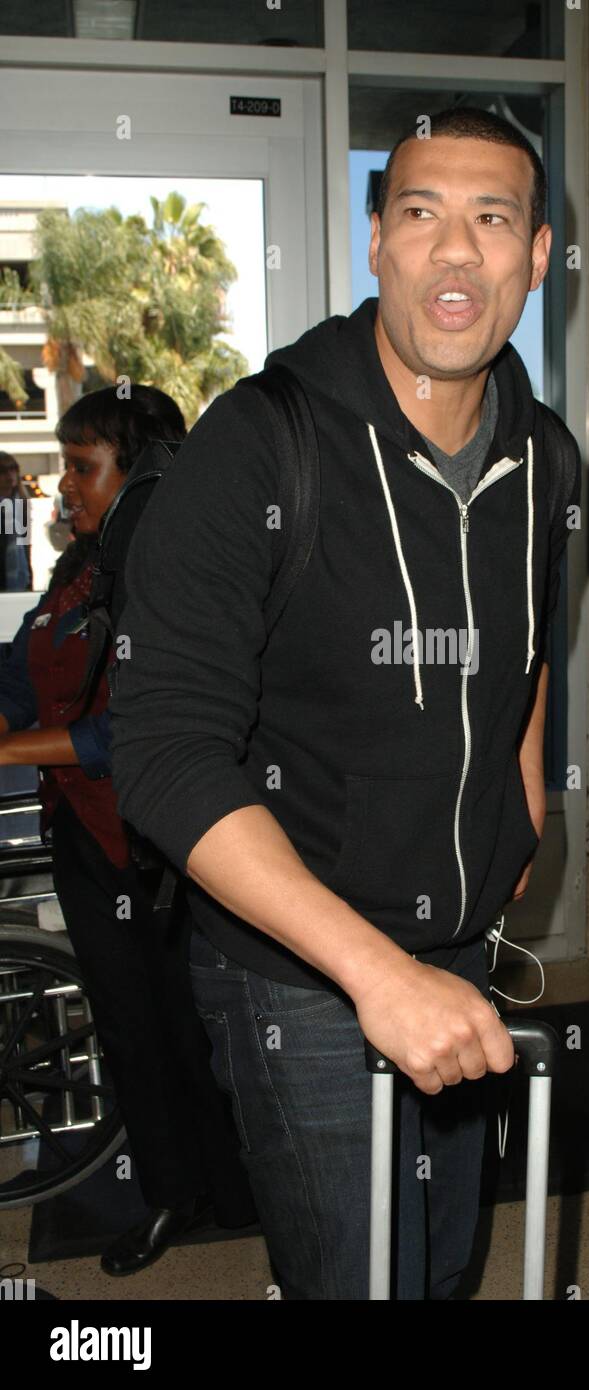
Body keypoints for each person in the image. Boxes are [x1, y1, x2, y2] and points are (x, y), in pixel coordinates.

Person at [109, 106, 581, 1299]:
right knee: (360, 1277)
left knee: (443, 1263)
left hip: (460, 952)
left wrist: (520, 803)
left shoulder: (550, 460)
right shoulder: (256, 449)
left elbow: (527, 651)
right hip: (299, 970)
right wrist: (376, 974)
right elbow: (164, 754)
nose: (455, 251)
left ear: (535, 259)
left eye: (493, 219)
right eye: (421, 213)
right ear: (375, 242)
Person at [0, 385, 256, 1276]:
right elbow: (22, 672)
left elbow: (128, 734)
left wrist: (11, 746)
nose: (64, 486)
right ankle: (172, 1195)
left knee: (190, 1028)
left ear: (141, 473)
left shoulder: (170, 571)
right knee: (128, 1029)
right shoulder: (76, 571)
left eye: (82, 468)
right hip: (86, 841)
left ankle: (242, 1192)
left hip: (161, 845)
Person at [0, 450, 33, 591]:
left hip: (19, 581)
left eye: (13, 469)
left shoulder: (21, 506)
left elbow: (26, 547)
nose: (10, 475)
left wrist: (29, 582)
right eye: (2, 470)